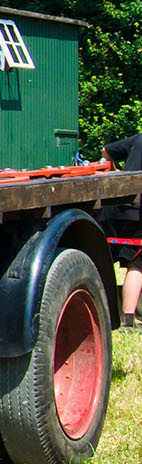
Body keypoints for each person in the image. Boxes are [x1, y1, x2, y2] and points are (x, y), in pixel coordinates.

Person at [103, 133, 142, 328]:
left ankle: (102, 310)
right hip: (137, 212)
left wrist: (116, 170)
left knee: (103, 260)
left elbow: (106, 151)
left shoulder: (139, 139)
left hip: (114, 205)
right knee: (137, 265)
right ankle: (127, 320)